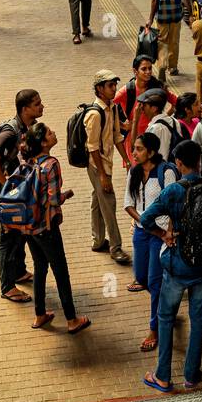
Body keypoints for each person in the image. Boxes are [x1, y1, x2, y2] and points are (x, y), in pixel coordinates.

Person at [138, 139, 202, 393]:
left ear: (179, 164)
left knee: (166, 317)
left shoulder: (174, 191)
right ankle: (192, 376)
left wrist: (164, 235)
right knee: (198, 319)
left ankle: (162, 376)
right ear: (200, 161)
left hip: (177, 265)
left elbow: (146, 219)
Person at [22, 122, 91, 333]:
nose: (54, 134)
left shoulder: (28, 162)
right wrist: (67, 194)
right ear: (44, 143)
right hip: (47, 227)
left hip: (29, 227)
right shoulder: (51, 164)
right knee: (61, 272)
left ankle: (40, 314)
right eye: (50, 133)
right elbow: (53, 200)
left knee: (40, 268)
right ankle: (72, 319)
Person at [123, 130, 179, 352]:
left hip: (163, 235)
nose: (134, 153)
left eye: (139, 149)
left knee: (155, 282)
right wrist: (146, 223)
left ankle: (154, 328)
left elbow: (174, 204)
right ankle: (167, 307)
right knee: (141, 277)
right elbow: (128, 203)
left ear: (152, 152)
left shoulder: (166, 172)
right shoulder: (134, 172)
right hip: (143, 232)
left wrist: (168, 232)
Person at [0, 89, 41, 301]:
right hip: (9, 197)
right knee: (8, 238)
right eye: (37, 104)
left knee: (19, 233)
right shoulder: (10, 132)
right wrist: (7, 185)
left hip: (20, 194)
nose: (41, 107)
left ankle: (18, 271)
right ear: (25, 109)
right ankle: (7, 287)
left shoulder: (29, 127)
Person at [84, 69, 132, 265]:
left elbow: (117, 136)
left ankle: (98, 240)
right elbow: (92, 147)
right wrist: (103, 176)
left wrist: (126, 159)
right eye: (110, 85)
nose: (114, 89)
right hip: (98, 166)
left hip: (106, 164)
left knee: (98, 201)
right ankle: (116, 247)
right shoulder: (95, 114)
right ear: (99, 89)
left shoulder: (111, 108)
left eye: (114, 85)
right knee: (109, 205)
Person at [145, 0, 195, 83]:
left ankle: (162, 65)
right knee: (174, 42)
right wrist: (190, 14)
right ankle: (172, 68)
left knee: (162, 42)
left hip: (161, 16)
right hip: (176, 16)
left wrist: (150, 18)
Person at [115, 55, 177, 156]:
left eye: (150, 68)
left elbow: (176, 101)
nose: (148, 72)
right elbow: (107, 106)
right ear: (135, 71)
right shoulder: (128, 90)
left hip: (155, 137)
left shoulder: (158, 87)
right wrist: (122, 125)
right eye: (144, 69)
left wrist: (164, 117)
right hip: (134, 138)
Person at [142, 88, 190, 161]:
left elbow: (161, 155)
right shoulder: (173, 121)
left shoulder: (156, 128)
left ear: (154, 108)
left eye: (145, 106)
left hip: (162, 169)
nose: (142, 109)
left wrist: (136, 119)